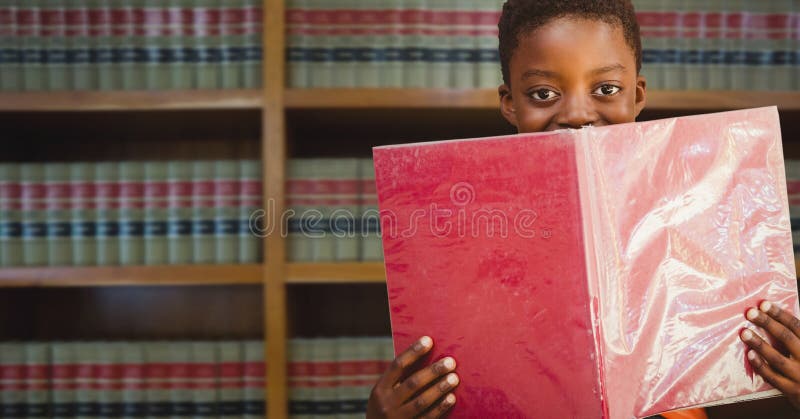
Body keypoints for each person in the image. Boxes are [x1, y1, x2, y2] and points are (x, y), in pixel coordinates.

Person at [365, 0, 800, 417]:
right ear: (510, 102)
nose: (576, 114)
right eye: (543, 93)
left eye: (606, 89)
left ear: (637, 95)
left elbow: (740, 380)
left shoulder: (703, 210)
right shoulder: (462, 234)